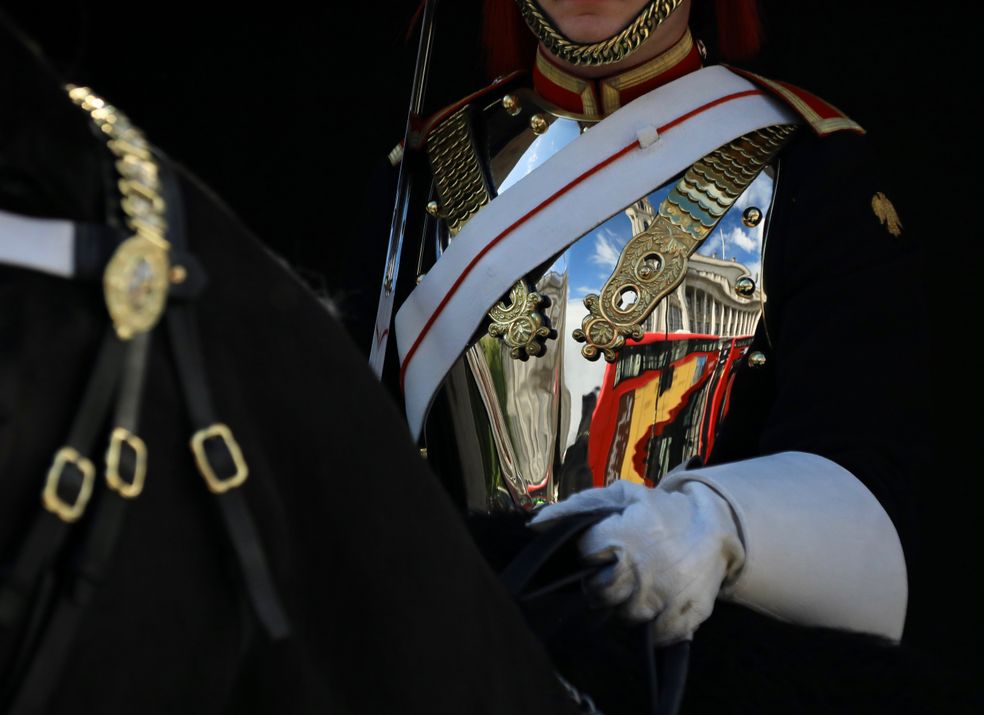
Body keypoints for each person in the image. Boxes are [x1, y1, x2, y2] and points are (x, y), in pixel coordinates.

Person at [377, 0, 927, 651]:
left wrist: (721, 524)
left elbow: (861, 482)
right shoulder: (430, 163)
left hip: (693, 665)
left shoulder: (812, 167)